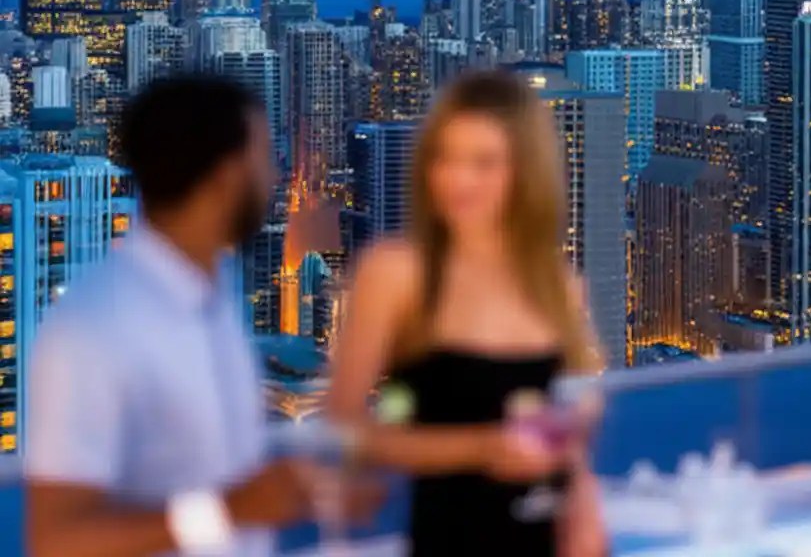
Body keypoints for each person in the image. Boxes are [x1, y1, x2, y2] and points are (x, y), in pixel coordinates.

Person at [27, 77, 321, 556]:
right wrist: (230, 512)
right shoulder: (94, 328)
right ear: (226, 176)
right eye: (266, 158)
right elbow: (58, 540)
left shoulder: (214, 295)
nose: (274, 177)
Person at [329, 69, 608, 556]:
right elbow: (346, 426)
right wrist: (483, 447)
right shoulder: (397, 273)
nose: (458, 179)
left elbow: (570, 437)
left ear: (525, 171)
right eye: (445, 157)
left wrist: (585, 514)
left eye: (483, 163)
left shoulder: (557, 284)